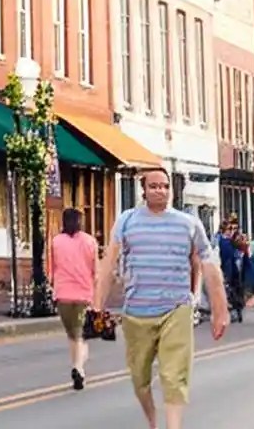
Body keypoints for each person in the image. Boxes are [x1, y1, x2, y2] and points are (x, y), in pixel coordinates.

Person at [93, 168, 228, 429]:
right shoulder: (127, 221)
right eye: (154, 186)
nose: (161, 191)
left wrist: (220, 309)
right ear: (143, 190)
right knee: (139, 379)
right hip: (136, 312)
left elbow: (210, 264)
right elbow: (109, 263)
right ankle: (153, 421)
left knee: (174, 376)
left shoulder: (188, 223)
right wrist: (97, 304)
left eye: (165, 186)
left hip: (176, 308)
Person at [50, 207, 97, 390]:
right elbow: (96, 272)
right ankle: (78, 367)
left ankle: (78, 365)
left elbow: (52, 268)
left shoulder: (56, 241)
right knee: (79, 335)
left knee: (73, 334)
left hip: (62, 294)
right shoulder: (90, 242)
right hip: (83, 294)